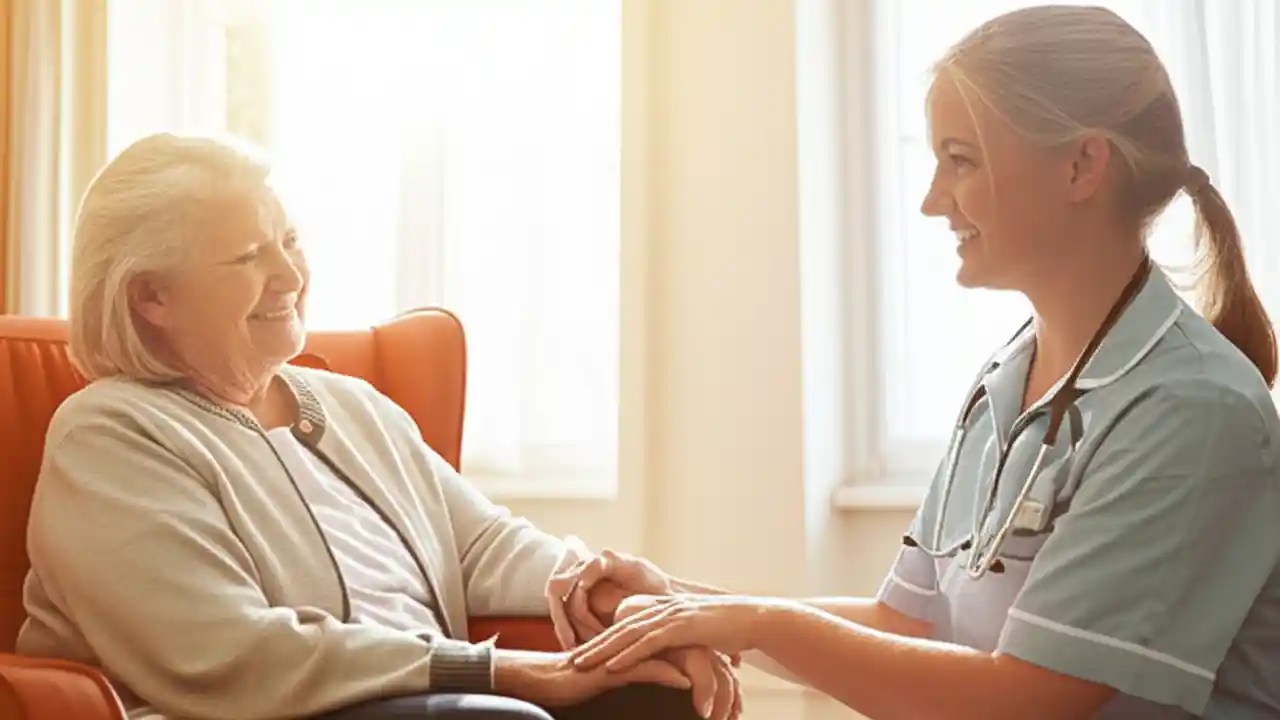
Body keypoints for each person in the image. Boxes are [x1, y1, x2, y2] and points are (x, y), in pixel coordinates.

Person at [548, 6, 1280, 719]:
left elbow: (1028, 698)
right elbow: (909, 629)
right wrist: (685, 602)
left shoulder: (1194, 410)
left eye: (959, 161)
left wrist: (750, 622)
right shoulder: (1007, 381)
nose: (934, 201)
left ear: (1082, 164)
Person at [15, 133, 740, 720]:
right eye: (245, 256)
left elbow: (483, 546)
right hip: (267, 715)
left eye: (288, 240)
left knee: (660, 691)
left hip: (440, 704)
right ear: (152, 297)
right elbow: (230, 652)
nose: (289, 276)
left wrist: (626, 602)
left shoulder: (352, 406)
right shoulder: (110, 436)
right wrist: (506, 673)